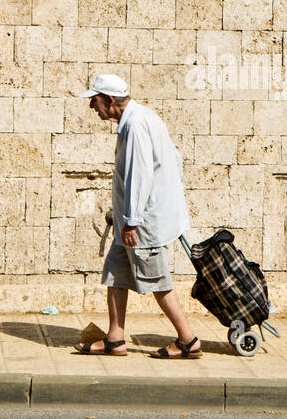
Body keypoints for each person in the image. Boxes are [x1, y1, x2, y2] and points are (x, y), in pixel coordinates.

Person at [73, 74, 201, 359]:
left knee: (156, 280)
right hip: (132, 222)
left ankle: (188, 339)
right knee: (117, 274)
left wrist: (132, 221)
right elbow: (174, 159)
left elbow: (138, 177)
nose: (92, 107)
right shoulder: (142, 117)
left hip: (141, 224)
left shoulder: (135, 125)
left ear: (108, 99)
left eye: (94, 101)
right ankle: (115, 339)